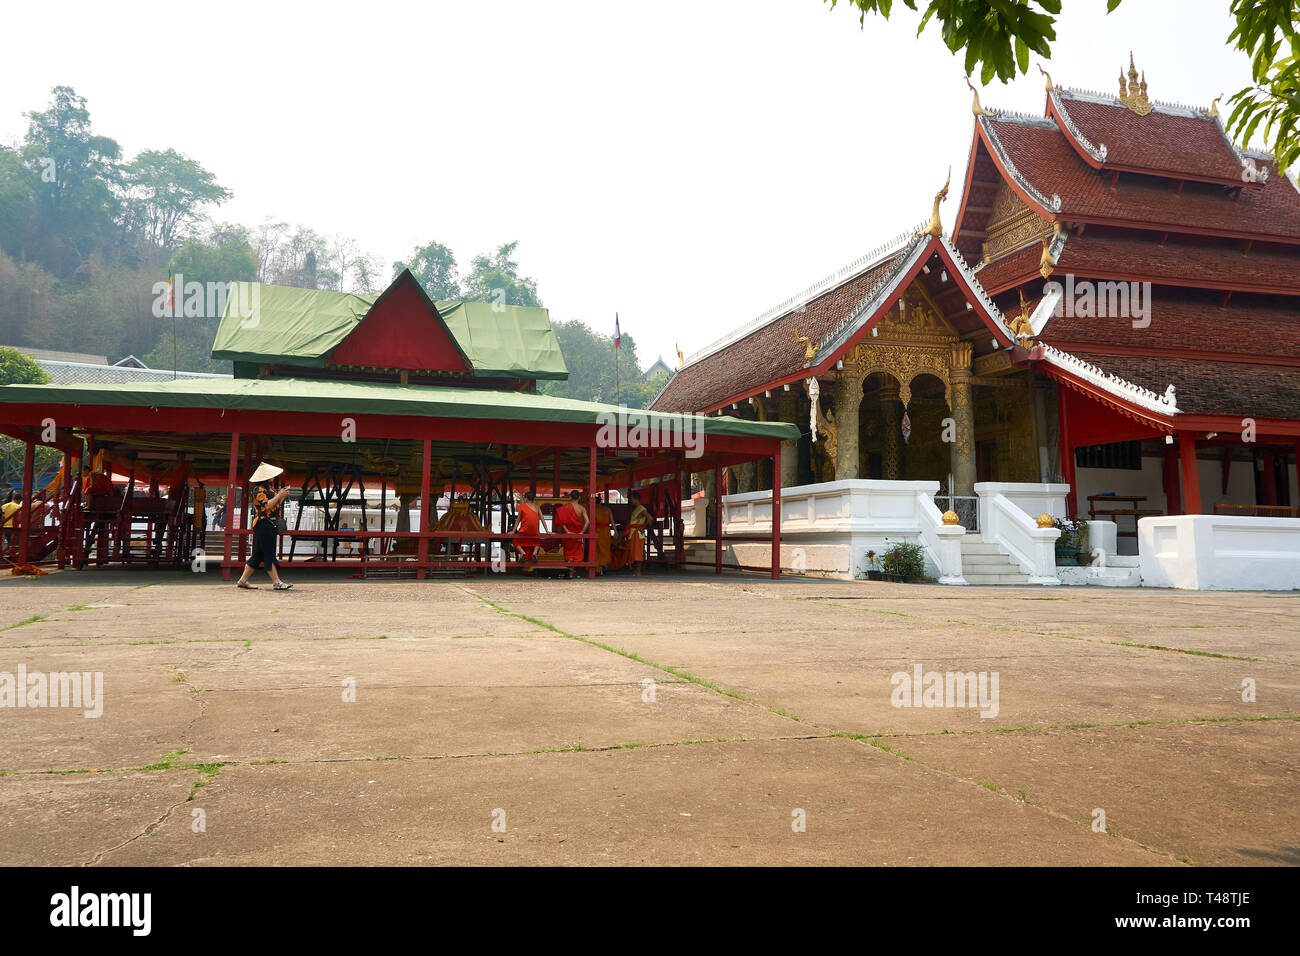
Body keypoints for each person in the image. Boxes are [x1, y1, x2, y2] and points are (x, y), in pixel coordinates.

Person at [236, 462, 293, 590]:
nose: (272, 477)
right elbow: (266, 505)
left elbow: (275, 505)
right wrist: (279, 495)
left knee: (258, 555)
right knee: (269, 553)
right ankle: (276, 582)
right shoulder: (257, 490)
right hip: (263, 523)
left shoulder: (270, 490)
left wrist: (282, 496)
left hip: (270, 524)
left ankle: (242, 580)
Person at [553, 489, 590, 578]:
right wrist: (581, 532)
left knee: (569, 552)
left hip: (568, 533)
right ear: (579, 498)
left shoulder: (566, 507)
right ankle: (571, 571)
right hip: (577, 532)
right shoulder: (581, 508)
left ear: (570, 497)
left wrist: (567, 531)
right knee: (576, 552)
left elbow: (561, 521)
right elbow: (587, 522)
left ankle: (570, 571)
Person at [614, 491, 652, 576]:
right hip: (633, 532)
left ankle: (638, 571)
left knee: (637, 552)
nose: (630, 501)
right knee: (633, 552)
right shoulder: (637, 508)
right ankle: (635, 570)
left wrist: (643, 527)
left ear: (635, 499)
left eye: (631, 499)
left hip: (637, 533)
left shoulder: (641, 508)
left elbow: (650, 518)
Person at [511, 491, 542, 570]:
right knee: (537, 541)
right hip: (534, 531)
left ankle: (522, 552)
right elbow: (542, 519)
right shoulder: (537, 506)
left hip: (524, 530)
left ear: (526, 499)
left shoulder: (522, 506)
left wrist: (513, 531)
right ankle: (534, 553)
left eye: (524, 498)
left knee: (515, 540)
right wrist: (547, 531)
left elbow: (518, 520)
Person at [593, 496, 613, 575]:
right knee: (606, 548)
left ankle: (599, 568)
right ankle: (605, 565)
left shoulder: (594, 510)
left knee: (597, 549)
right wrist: (615, 532)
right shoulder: (608, 509)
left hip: (597, 531)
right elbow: (612, 522)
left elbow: (592, 522)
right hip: (606, 531)